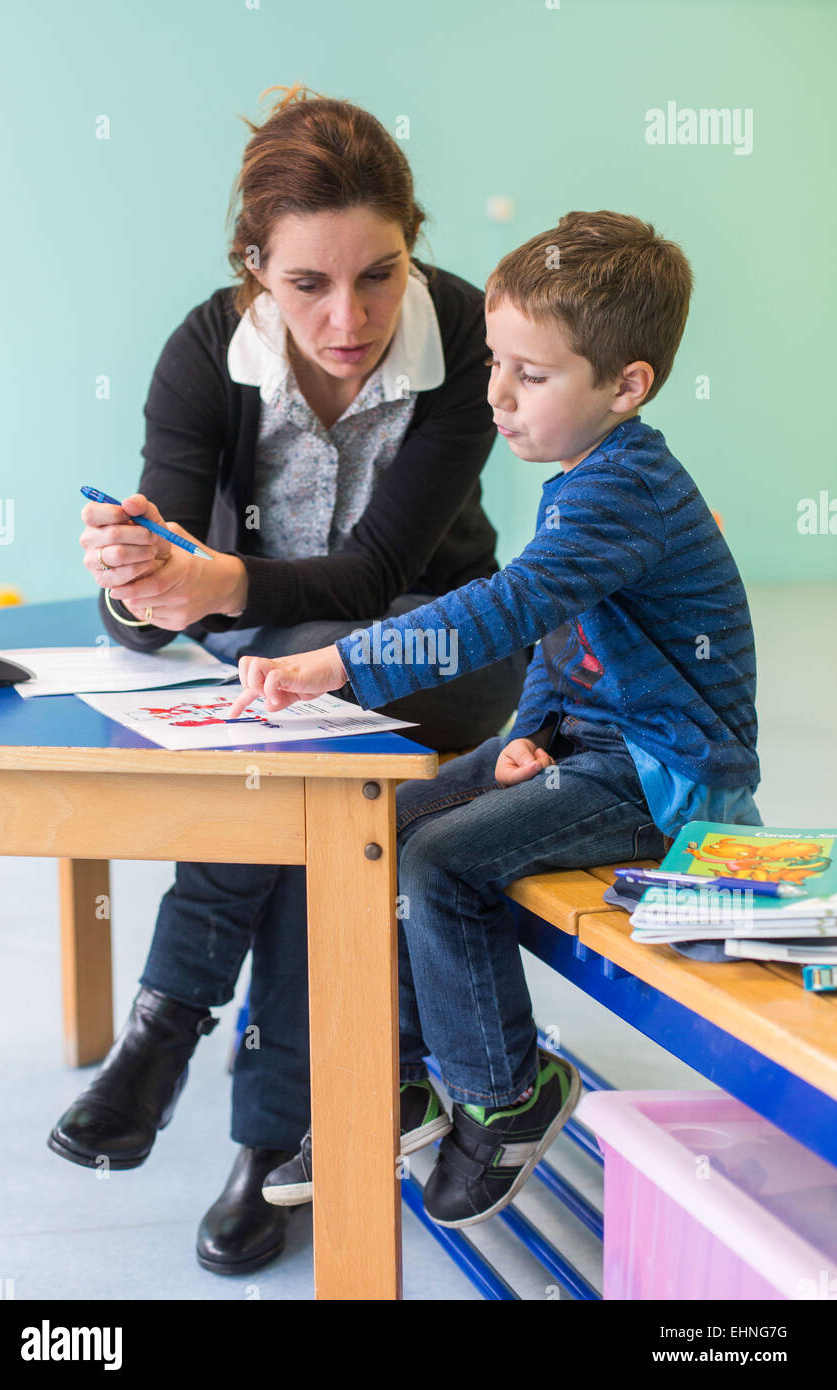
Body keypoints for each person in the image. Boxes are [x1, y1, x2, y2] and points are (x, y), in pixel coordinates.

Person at [47, 85, 529, 1272]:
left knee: (305, 768)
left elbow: (373, 575)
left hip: (434, 649)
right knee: (305, 811)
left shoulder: (465, 332)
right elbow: (157, 586)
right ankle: (271, 1139)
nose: (349, 316)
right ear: (254, 266)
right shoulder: (206, 346)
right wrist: (132, 574)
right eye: (307, 283)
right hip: (269, 674)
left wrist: (211, 593)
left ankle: (168, 1037)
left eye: (379, 274)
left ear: (413, 244)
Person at [227, 210, 763, 1227]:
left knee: (440, 864)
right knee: (383, 825)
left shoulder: (624, 491)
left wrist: (340, 661)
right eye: (495, 365)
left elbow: (505, 608)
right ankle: (408, 1074)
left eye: (531, 375)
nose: (497, 398)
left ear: (626, 385)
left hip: (662, 774)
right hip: (588, 747)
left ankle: (510, 1097)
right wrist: (528, 730)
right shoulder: (577, 477)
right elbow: (564, 639)